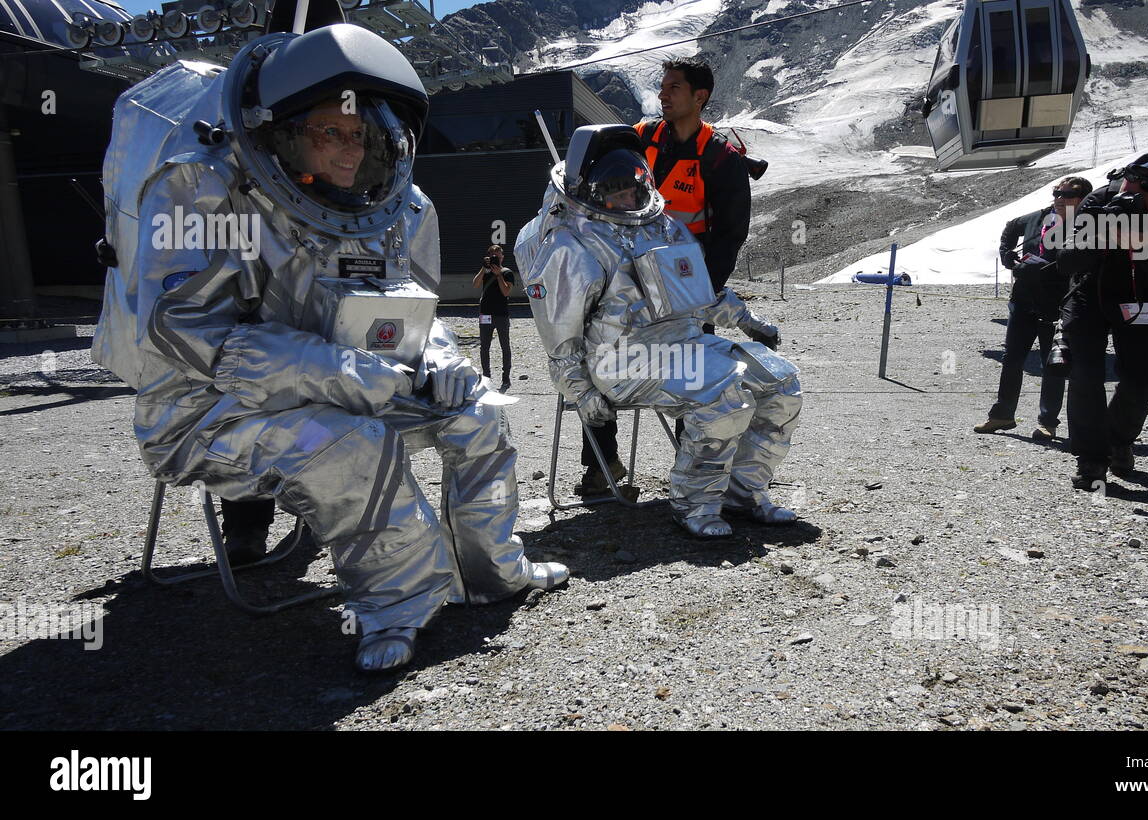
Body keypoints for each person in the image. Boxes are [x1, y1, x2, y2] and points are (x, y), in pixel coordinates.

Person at [92, 23, 567, 672]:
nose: (349, 151)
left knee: (480, 415)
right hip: (208, 412)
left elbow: (397, 307)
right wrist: (337, 370)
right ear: (282, 130)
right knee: (351, 445)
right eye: (328, 132)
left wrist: (442, 360)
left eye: (359, 135)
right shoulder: (202, 190)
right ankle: (399, 604)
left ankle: (490, 572)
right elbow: (189, 331)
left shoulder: (380, 206)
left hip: (349, 389)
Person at [515, 124, 797, 538]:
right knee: (724, 394)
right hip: (619, 360)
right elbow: (561, 339)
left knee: (781, 381)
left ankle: (742, 491)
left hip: (680, 345)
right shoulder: (572, 245)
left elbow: (697, 292)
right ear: (593, 193)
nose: (628, 198)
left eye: (632, 189)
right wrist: (583, 393)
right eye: (615, 192)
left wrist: (746, 321)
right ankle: (694, 503)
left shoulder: (662, 227)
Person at [575, 58, 755, 495]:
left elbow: (730, 235)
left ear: (700, 97)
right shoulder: (641, 137)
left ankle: (691, 471)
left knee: (693, 375)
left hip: (686, 288)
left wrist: (701, 293)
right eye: (662, 86)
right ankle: (603, 465)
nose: (663, 94)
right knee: (598, 362)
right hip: (625, 280)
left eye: (674, 87)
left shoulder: (721, 158)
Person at [1059, 152, 1148, 489]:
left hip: (1143, 297)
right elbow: (1066, 261)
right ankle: (1091, 459)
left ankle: (1119, 440)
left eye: (1139, 191)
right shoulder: (1101, 200)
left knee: (1139, 380)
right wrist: (1105, 233)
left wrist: (1147, 245)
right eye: (1125, 184)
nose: (1127, 193)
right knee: (1085, 375)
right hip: (1090, 294)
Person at [975, 176, 1092, 440]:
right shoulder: (1038, 217)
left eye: (1068, 194)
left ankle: (1047, 422)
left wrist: (1046, 268)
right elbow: (1011, 227)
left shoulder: (1085, 226)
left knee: (1051, 363)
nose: (1060, 198)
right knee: (1012, 358)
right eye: (1057, 193)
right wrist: (1006, 252)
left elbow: (1082, 262)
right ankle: (1002, 415)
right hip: (1023, 299)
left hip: (1057, 304)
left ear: (1083, 198)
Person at [473, 244, 514, 391]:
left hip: (501, 314)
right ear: (488, 256)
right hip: (485, 314)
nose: (496, 257)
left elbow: (506, 292)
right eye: (492, 255)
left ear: (502, 256)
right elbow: (475, 284)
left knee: (505, 347)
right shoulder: (485, 271)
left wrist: (498, 275)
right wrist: (484, 269)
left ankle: (506, 378)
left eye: (498, 255)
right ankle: (487, 377)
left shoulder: (507, 272)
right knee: (484, 347)